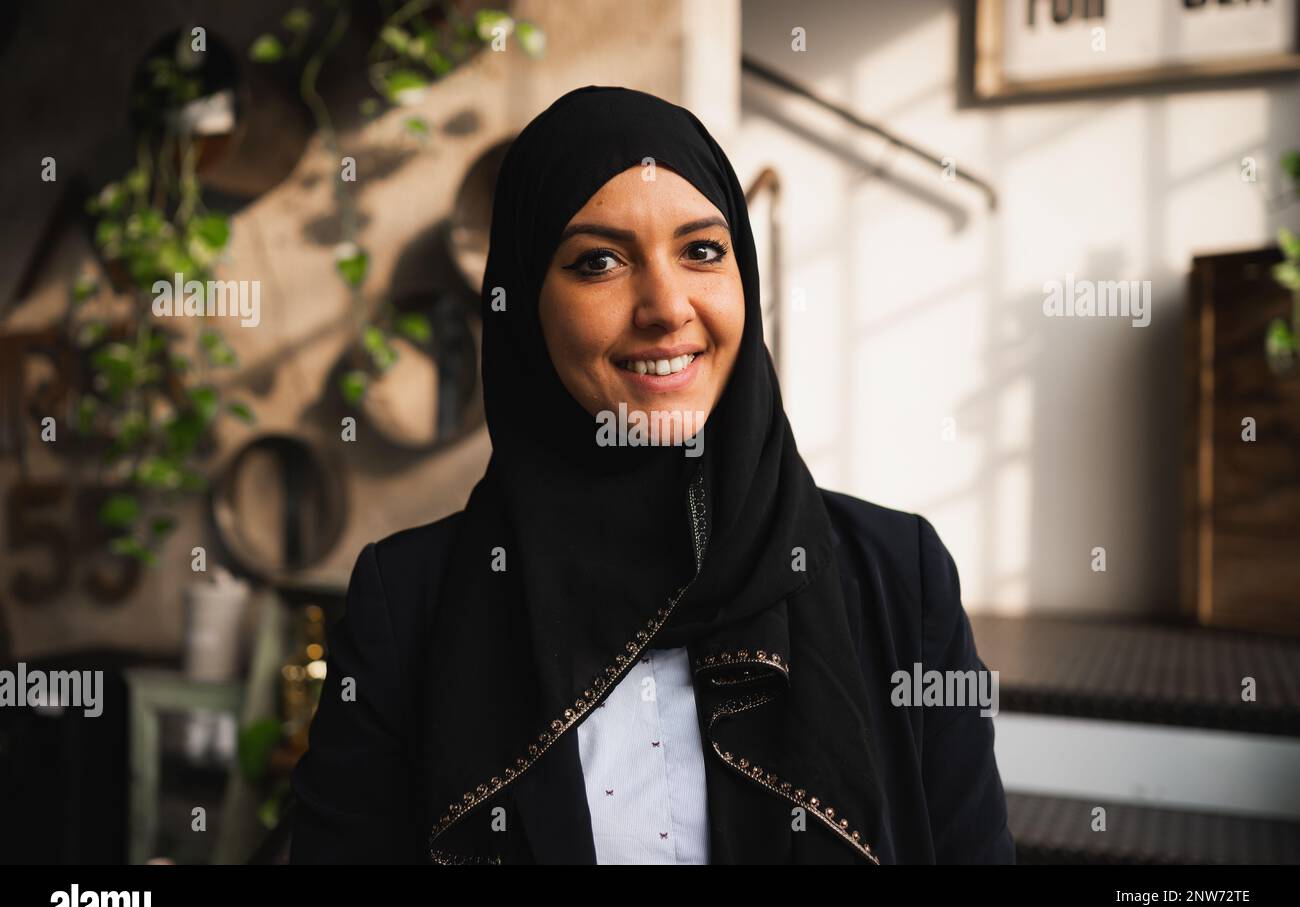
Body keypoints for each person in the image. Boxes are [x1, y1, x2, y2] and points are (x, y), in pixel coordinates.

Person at [289, 85, 1015, 865]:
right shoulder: (411, 606)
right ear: (523, 306)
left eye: (703, 250)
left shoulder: (897, 578)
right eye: (599, 261)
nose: (667, 307)